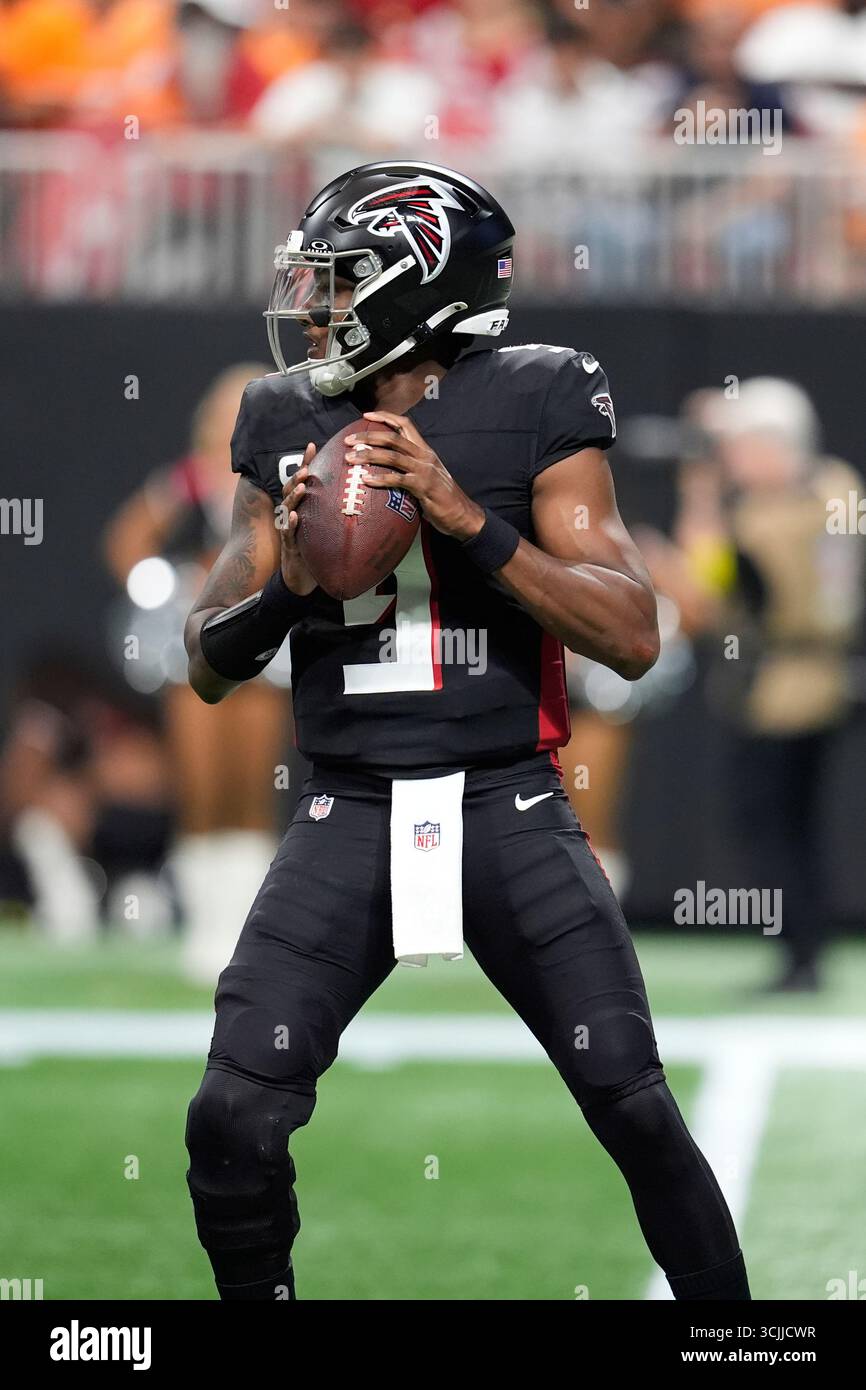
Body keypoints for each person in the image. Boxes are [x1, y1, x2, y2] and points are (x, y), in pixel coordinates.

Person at [183, 160, 750, 1301]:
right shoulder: (282, 414)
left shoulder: (539, 392)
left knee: (633, 1106)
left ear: (414, 280)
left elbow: (632, 633)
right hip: (347, 805)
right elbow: (205, 659)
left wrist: (463, 519)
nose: (314, 309)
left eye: (342, 283)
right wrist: (290, 586)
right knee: (230, 1112)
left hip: (508, 799)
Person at [105, 363, 288, 983]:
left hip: (266, 638)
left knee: (252, 788)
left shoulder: (291, 470)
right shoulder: (193, 476)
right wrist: (171, 586)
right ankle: (208, 926)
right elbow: (127, 538)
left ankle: (248, 929)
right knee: (203, 789)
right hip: (202, 641)